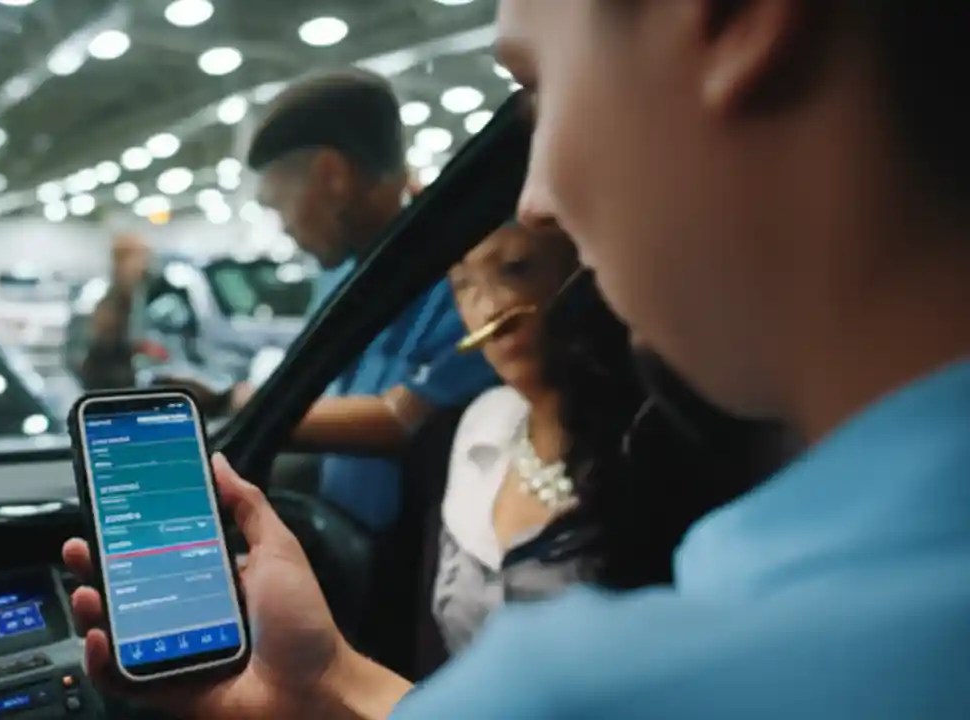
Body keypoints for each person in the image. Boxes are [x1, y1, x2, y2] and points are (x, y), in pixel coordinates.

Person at [64, 0, 970, 717]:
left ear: (732, 15)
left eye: (536, 90)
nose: (532, 204)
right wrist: (328, 681)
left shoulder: (600, 686)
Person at [198, 71, 499, 533]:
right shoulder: (342, 275)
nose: (283, 227)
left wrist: (236, 403)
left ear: (331, 175)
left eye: (280, 205)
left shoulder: (464, 274)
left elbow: (401, 421)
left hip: (406, 557)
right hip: (340, 534)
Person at [433, 220, 747, 655]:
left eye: (515, 268)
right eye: (462, 285)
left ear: (580, 270)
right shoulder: (483, 428)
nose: (490, 311)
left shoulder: (651, 441)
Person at [76, 233, 153, 391]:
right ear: (119, 262)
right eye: (137, 258)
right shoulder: (106, 307)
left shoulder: (149, 298)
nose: (143, 265)